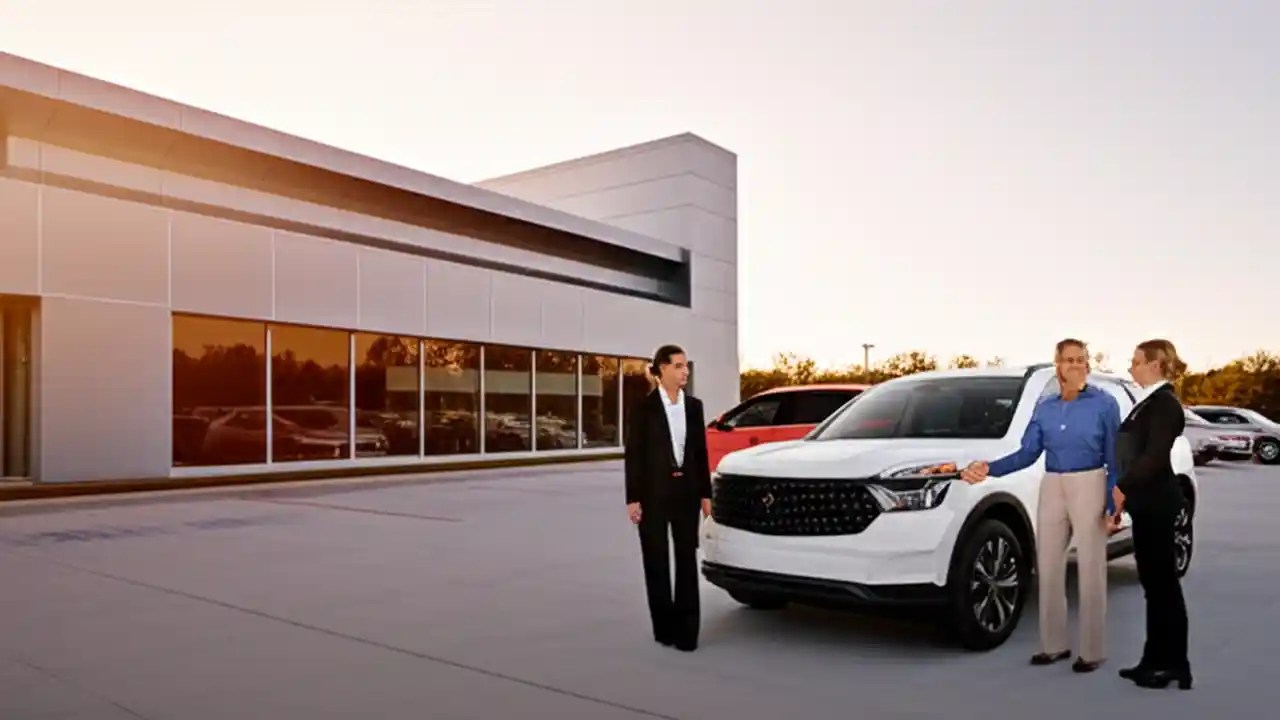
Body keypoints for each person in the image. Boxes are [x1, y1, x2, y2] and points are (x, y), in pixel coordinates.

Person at [960, 338, 1122, 673]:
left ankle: (1093, 651)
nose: (1076, 365)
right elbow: (1027, 453)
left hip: (1089, 480)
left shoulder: (1104, 404)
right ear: (1057, 365)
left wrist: (1112, 504)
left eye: (1081, 359)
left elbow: (1114, 457)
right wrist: (989, 469)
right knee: (1047, 565)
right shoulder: (1045, 406)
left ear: (1087, 365)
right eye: (1069, 360)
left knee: (1091, 566)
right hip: (1052, 484)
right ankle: (1053, 645)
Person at [1113, 339, 1193, 690]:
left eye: (1136, 362)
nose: (1131, 367)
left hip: (1157, 503)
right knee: (1154, 587)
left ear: (1155, 365)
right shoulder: (1149, 402)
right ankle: (1153, 659)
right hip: (1146, 504)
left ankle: (1174, 665)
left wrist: (1122, 487)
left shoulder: (1165, 404)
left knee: (1163, 588)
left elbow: (1154, 456)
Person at [625, 344, 713, 651]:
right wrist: (633, 498)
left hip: (686, 493)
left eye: (686, 366)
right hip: (653, 494)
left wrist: (705, 494)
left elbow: (700, 453)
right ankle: (664, 629)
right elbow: (634, 454)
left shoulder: (694, 407)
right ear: (661, 369)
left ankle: (688, 634)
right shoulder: (643, 408)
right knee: (656, 562)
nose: (685, 371)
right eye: (678, 366)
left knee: (687, 561)